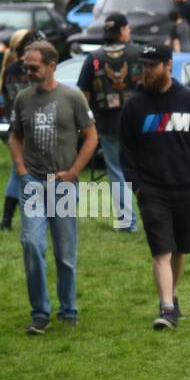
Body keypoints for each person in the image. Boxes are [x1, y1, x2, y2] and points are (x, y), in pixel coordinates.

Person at [117, 43, 190, 330]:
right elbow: (126, 151)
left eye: (151, 65)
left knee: (179, 250)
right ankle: (167, 308)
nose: (146, 71)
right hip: (152, 192)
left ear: (168, 65)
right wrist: (138, 187)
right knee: (161, 251)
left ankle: (172, 296)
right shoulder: (134, 104)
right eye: (143, 65)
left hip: (187, 189)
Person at [9, 41, 98, 334]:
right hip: (33, 181)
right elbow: (15, 137)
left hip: (61, 184)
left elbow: (91, 137)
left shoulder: (71, 97)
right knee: (32, 244)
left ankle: (68, 310)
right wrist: (21, 171)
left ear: (51, 66)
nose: (29, 72)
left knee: (64, 252)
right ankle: (40, 313)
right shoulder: (22, 99)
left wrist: (73, 172)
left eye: (34, 68)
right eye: (26, 67)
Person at [76, 12, 143, 232]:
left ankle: (126, 221)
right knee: (147, 168)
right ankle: (156, 215)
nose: (130, 31)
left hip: (107, 123)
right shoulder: (138, 53)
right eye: (128, 28)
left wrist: (85, 122)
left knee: (117, 171)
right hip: (139, 122)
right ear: (122, 30)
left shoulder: (94, 58)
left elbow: (83, 94)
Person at [0, 28, 39, 231]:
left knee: (17, 172)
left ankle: (6, 219)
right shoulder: (38, 68)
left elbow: (5, 97)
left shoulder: (10, 69)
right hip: (38, 126)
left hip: (16, 127)